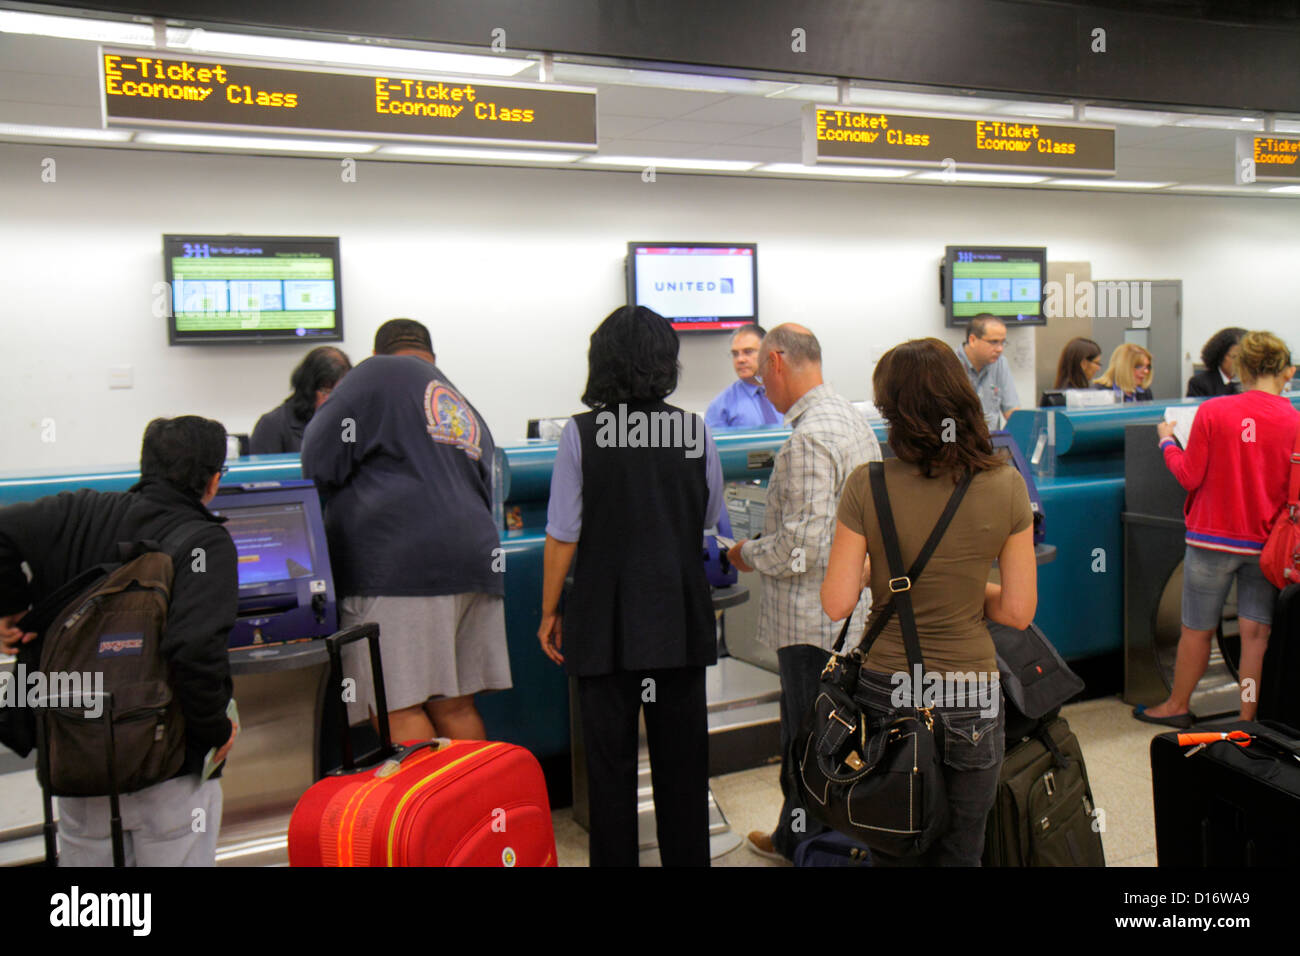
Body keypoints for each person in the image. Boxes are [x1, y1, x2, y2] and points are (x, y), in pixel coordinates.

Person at [822, 338, 1037, 866]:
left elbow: (836, 602)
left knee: (890, 839)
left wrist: (885, 576)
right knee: (963, 847)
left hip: (886, 687)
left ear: (891, 410)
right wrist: (959, 587)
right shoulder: (1006, 483)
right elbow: (1016, 612)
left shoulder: (866, 484)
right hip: (971, 691)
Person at [0, 417, 239, 866]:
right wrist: (216, 732)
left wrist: (10, 608)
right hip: (168, 775)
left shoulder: (75, 512)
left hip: (76, 759)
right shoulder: (205, 542)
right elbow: (194, 650)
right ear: (212, 480)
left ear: (145, 465)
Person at [538, 305, 722, 867]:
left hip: (605, 621)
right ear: (666, 362)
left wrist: (549, 610)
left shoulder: (581, 432)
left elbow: (564, 533)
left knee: (610, 770)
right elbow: (709, 515)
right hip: (678, 616)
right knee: (683, 767)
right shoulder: (694, 429)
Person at [301, 319, 510, 744]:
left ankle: (431, 812)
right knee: (455, 703)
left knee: (395, 704)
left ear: (378, 351)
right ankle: (476, 810)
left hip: (398, 564)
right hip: (476, 562)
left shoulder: (374, 374)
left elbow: (316, 460)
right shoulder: (459, 401)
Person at [724, 323, 882, 863]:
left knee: (806, 739)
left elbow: (804, 545)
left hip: (812, 619)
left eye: (760, 370)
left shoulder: (809, 436)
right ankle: (814, 838)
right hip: (850, 611)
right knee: (836, 737)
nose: (761, 388)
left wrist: (744, 553)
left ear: (776, 362)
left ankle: (806, 845)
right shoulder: (852, 419)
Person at [1135, 331, 1299, 727]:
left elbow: (1190, 477)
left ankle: (1176, 706)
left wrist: (1166, 443)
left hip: (1210, 540)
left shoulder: (1214, 412)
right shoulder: (1294, 419)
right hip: (1264, 545)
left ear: (1240, 368)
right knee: (1255, 635)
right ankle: (1248, 715)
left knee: (1197, 630)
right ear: (1285, 372)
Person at [250, 346, 352, 453]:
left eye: (341, 393)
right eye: (328, 392)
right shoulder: (272, 425)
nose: (336, 401)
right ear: (309, 389)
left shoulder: (349, 422)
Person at [704, 324, 783, 430]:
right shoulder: (720, 406)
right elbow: (713, 445)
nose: (740, 359)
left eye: (748, 352)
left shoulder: (789, 394)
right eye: (735, 354)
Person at [956, 314, 1020, 431]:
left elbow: (1012, 413)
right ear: (973, 340)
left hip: (992, 445)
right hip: (961, 444)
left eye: (1002, 343)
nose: (1000, 349)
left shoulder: (1000, 363)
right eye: (994, 342)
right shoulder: (950, 364)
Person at [1186, 327, 1246, 398]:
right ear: (1220, 355)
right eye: (1234, 357)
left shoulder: (1251, 382)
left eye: (1244, 357)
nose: (1239, 362)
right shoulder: (1200, 383)